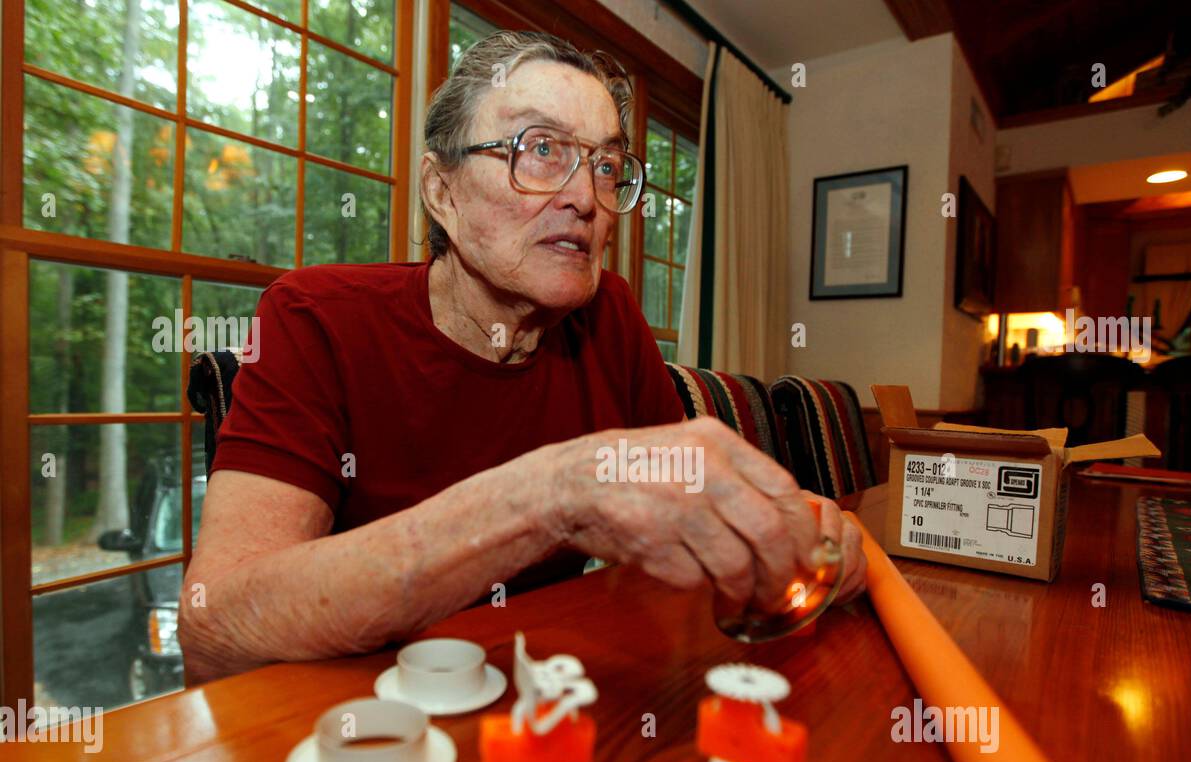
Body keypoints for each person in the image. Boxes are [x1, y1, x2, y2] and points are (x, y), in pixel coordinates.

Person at [180, 31, 865, 683]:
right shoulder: (314, 316)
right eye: (541, 149)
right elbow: (215, 629)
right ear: (441, 190)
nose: (584, 198)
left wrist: (791, 532)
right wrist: (552, 494)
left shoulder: (610, 317)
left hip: (532, 699)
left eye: (606, 166)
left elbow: (680, 513)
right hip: (358, 726)